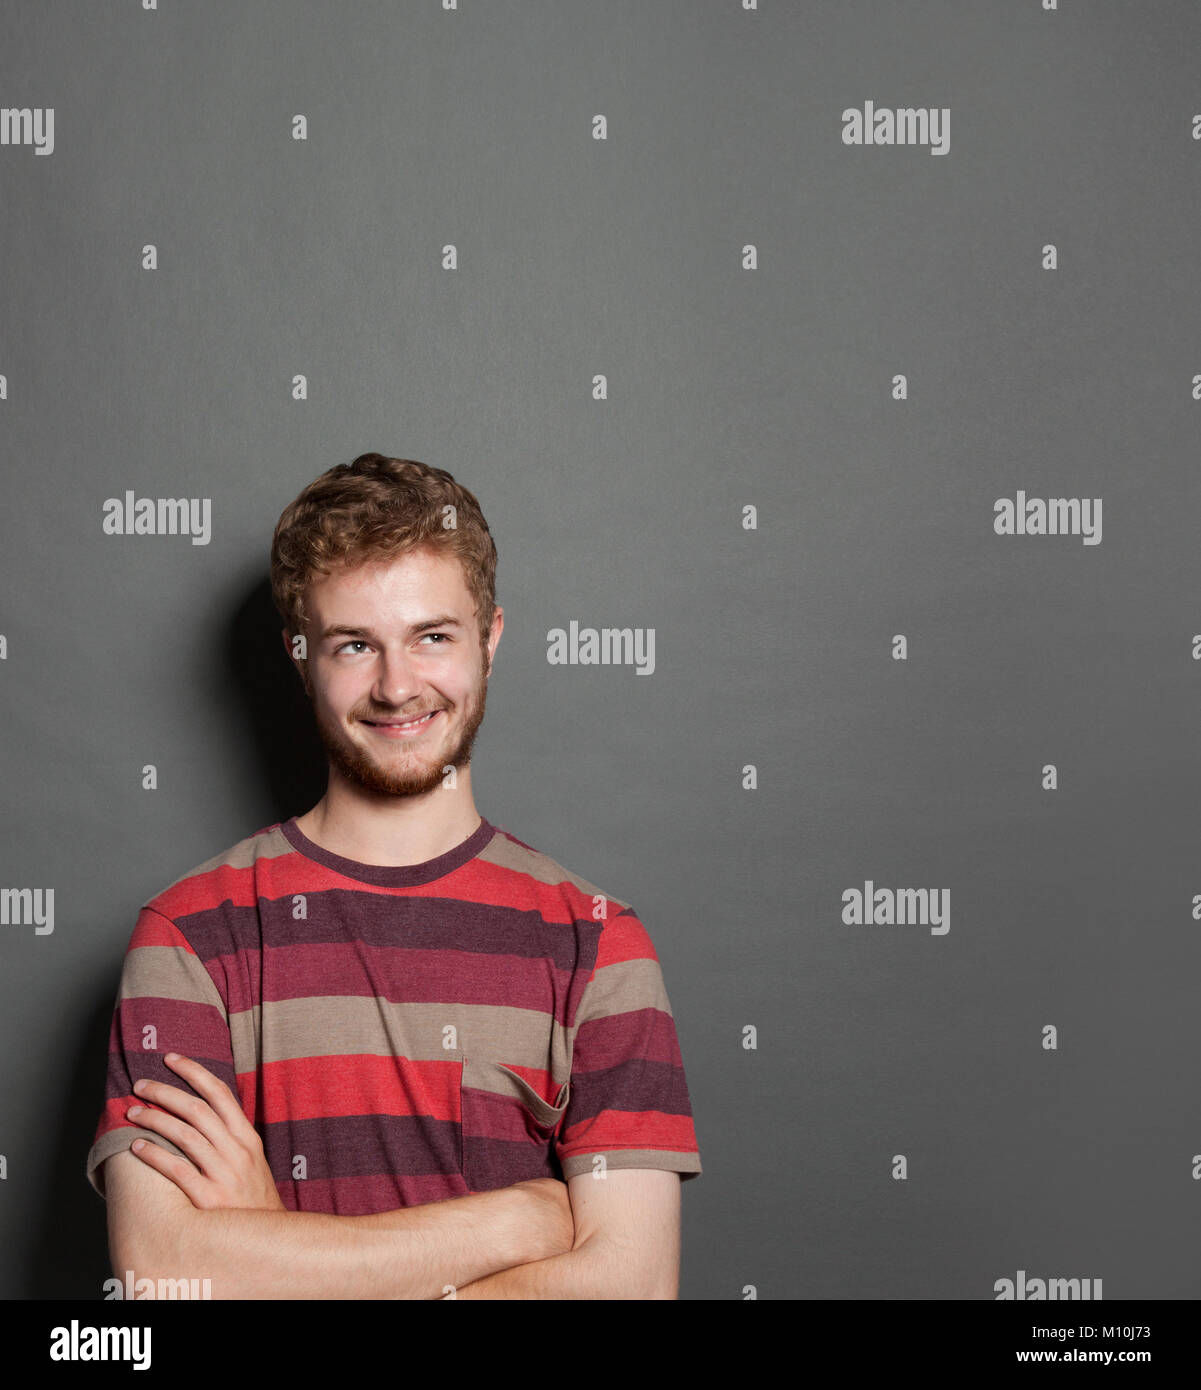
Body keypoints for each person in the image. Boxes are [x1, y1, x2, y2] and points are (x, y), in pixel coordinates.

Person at [85, 452, 701, 1299]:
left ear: (490, 638)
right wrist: (514, 1221)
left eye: (432, 637)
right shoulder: (189, 935)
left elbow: (627, 1290)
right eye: (353, 646)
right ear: (301, 658)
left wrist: (270, 1251)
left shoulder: (597, 942)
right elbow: (164, 1279)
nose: (397, 686)